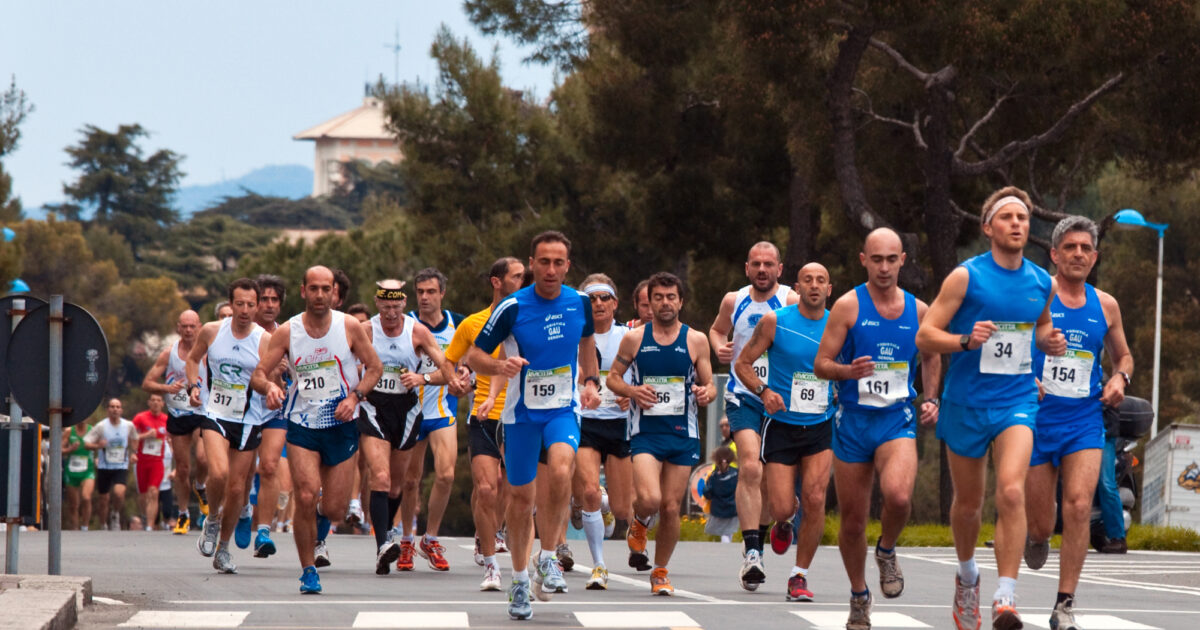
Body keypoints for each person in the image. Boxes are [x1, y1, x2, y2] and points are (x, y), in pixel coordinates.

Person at [916, 186, 1066, 630]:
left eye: (1023, 217)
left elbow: (1039, 328)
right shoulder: (966, 277)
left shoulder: (1043, 282)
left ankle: (1006, 596)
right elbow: (926, 337)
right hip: (965, 403)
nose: (1017, 224)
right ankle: (967, 578)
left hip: (1016, 400)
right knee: (968, 504)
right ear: (988, 228)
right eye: (1007, 218)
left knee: (1012, 490)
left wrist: (1049, 341)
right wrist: (964, 340)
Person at [468, 231, 601, 620]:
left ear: (568, 266)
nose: (551, 269)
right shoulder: (511, 306)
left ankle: (548, 558)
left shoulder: (579, 302)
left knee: (562, 466)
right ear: (532, 264)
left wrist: (591, 382)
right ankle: (521, 580)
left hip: (563, 409)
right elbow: (475, 354)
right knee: (522, 499)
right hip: (521, 415)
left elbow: (587, 343)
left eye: (558, 262)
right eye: (543, 262)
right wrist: (499, 366)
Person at [813, 228, 941, 629]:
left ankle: (886, 550)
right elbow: (821, 364)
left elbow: (932, 356)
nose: (884, 267)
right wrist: (846, 371)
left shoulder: (919, 310)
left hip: (895, 419)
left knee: (899, 497)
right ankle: (858, 595)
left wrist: (932, 397)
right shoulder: (848, 307)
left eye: (891, 259)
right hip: (853, 422)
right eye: (876, 259)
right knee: (852, 520)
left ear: (903, 260)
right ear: (863, 259)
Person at [1024, 216, 1132, 630]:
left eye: (1086, 248)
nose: (1078, 254)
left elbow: (1123, 356)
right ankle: (1036, 537)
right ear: (1054, 254)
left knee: (1079, 505)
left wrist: (1121, 377)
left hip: (1083, 418)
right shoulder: (1036, 296)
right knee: (1040, 520)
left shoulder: (1105, 304)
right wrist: (1025, 376)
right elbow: (1008, 340)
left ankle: (1064, 604)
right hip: (1034, 419)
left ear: (1095, 257)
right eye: (1070, 247)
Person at [251, 265, 383, 594]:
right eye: (314, 288)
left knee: (335, 509)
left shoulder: (349, 326)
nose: (320, 295)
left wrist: (356, 397)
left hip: (341, 424)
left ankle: (321, 523)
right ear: (303, 291)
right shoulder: (288, 332)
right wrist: (269, 388)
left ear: (334, 292)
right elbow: (258, 375)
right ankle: (308, 570)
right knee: (306, 496)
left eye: (326, 288)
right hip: (302, 425)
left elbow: (375, 368)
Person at [607, 271, 717, 595]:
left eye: (671, 297)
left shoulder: (696, 340)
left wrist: (705, 393)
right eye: (659, 297)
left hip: (684, 433)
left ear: (680, 301)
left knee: (670, 507)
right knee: (650, 498)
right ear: (649, 302)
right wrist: (632, 390)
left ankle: (660, 571)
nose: (665, 303)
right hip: (645, 432)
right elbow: (613, 378)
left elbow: (709, 384)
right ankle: (640, 522)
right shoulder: (635, 339)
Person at [734, 262, 835, 603]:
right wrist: (764, 391)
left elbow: (850, 367)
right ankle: (782, 522)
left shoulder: (839, 324)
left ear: (829, 289)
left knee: (816, 498)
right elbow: (741, 364)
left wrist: (840, 387)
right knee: (780, 508)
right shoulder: (776, 322)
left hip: (821, 425)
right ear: (797, 286)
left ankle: (799, 575)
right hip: (781, 426)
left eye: (821, 280)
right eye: (808, 280)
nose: (815, 286)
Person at [709, 241, 798, 591]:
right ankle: (752, 554)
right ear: (747, 268)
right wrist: (719, 345)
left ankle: (778, 521)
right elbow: (717, 330)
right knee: (749, 466)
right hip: (743, 395)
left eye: (769, 264)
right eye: (756, 264)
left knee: (774, 491)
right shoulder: (734, 300)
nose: (762, 270)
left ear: (779, 269)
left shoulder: (791, 300)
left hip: (782, 400)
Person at [359, 278, 459, 575]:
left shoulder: (417, 332)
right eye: (385, 307)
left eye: (396, 307)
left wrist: (423, 379)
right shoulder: (365, 330)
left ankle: (389, 533)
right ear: (377, 304)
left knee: (397, 486)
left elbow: (447, 369)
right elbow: (342, 360)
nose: (391, 314)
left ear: (404, 305)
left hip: (406, 409)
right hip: (373, 405)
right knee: (380, 475)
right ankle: (382, 545)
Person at [446, 256, 525, 592]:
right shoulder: (473, 323)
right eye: (517, 276)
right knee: (486, 488)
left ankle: (491, 532)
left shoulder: (527, 317)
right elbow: (450, 361)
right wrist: (455, 382)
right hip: (483, 416)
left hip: (521, 416)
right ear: (497, 281)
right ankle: (491, 564)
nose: (524, 281)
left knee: (511, 487)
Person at [187, 278, 276, 574]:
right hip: (215, 413)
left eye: (252, 304)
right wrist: (193, 386)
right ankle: (212, 519)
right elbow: (193, 358)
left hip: (249, 419)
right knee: (219, 472)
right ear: (231, 304)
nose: (245, 310)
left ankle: (223, 548)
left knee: (238, 489)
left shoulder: (264, 340)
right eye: (240, 304)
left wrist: (271, 390)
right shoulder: (212, 331)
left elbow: (266, 377)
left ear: (258, 306)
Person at [397, 267, 469, 572]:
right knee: (410, 480)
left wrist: (465, 378)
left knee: (446, 475)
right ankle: (406, 540)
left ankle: (431, 537)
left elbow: (462, 370)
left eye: (431, 292)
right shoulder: (406, 326)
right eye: (420, 292)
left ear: (442, 293)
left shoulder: (458, 325)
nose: (425, 298)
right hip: (410, 414)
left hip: (441, 412)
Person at [571, 273, 632, 590]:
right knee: (591, 491)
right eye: (591, 298)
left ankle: (592, 503)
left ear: (614, 303)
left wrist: (629, 393)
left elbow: (642, 376)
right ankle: (599, 565)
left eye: (604, 298)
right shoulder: (574, 334)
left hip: (620, 424)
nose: (598, 304)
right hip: (586, 423)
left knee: (623, 509)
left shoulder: (629, 336)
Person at [143, 310, 209, 534]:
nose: (189, 331)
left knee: (203, 458)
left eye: (193, 326)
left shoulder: (208, 353)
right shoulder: (168, 354)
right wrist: (166, 388)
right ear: (178, 328)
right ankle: (183, 514)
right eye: (185, 326)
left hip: (202, 412)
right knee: (182, 469)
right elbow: (147, 383)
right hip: (178, 415)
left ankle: (200, 486)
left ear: (199, 327)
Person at [250, 273, 287, 558]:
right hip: (242, 409)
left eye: (275, 300)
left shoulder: (288, 333)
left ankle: (263, 530)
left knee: (270, 465)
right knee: (241, 471)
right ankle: (239, 512)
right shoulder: (241, 332)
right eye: (264, 299)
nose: (269, 305)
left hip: (276, 409)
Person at [85, 398, 138, 531]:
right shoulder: (101, 426)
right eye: (112, 407)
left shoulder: (128, 425)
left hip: (121, 465)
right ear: (108, 410)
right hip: (104, 466)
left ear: (121, 410)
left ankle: (115, 513)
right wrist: (98, 445)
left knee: (119, 493)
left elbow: (134, 439)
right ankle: (103, 524)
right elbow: (86, 443)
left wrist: (133, 453)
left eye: (117, 407)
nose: (115, 409)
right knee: (104, 499)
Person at [132, 394, 170, 531]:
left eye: (158, 400)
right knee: (143, 495)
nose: (155, 402)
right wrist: (145, 436)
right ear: (149, 402)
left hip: (157, 461)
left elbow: (172, 438)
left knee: (153, 492)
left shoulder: (166, 420)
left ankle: (149, 525)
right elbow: (131, 436)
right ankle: (144, 515)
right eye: (153, 400)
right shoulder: (140, 418)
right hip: (142, 461)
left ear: (163, 404)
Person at [63, 421, 96, 530]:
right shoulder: (69, 431)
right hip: (72, 471)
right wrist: (69, 449)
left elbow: (101, 444)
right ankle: (75, 528)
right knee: (73, 505)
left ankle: (85, 526)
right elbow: (58, 449)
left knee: (86, 497)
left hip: (88, 470)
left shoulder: (92, 430)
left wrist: (91, 446)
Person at [704, 446, 738, 542]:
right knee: (728, 532)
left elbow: (707, 492)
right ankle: (727, 544)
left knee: (722, 532)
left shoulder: (714, 476)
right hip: (733, 508)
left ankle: (725, 544)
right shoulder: (736, 474)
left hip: (717, 509)